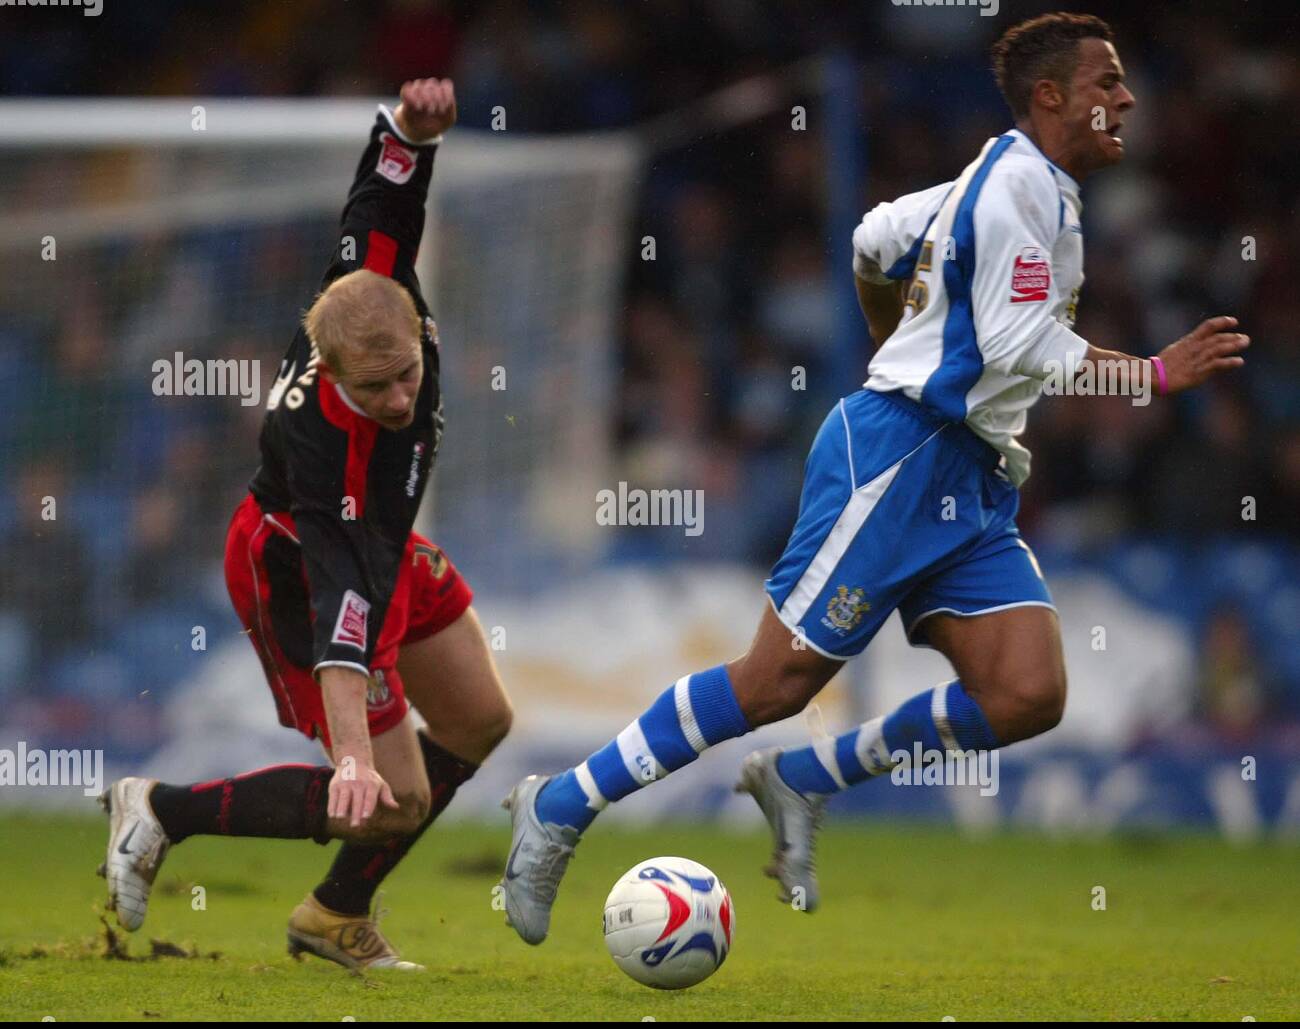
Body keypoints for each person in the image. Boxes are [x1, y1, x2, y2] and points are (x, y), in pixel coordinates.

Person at [499, 12, 1250, 944]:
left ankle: (806, 779)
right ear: (1051, 96)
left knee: (1024, 693)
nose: (1126, 98)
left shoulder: (1007, 180)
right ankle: (563, 803)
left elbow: (873, 236)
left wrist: (894, 332)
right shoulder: (1020, 188)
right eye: (1107, 82)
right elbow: (1019, 343)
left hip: (969, 474)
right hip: (900, 456)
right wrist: (1153, 374)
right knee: (776, 682)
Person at [100, 78, 513, 971]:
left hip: (386, 552)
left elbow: (380, 197)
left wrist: (412, 130)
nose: (401, 398)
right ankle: (162, 808)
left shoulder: (369, 289)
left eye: (408, 373)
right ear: (329, 373)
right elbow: (342, 612)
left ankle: (331, 916)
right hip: (293, 569)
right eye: (376, 389)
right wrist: (355, 760)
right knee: (393, 798)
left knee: (480, 718)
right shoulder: (330, 458)